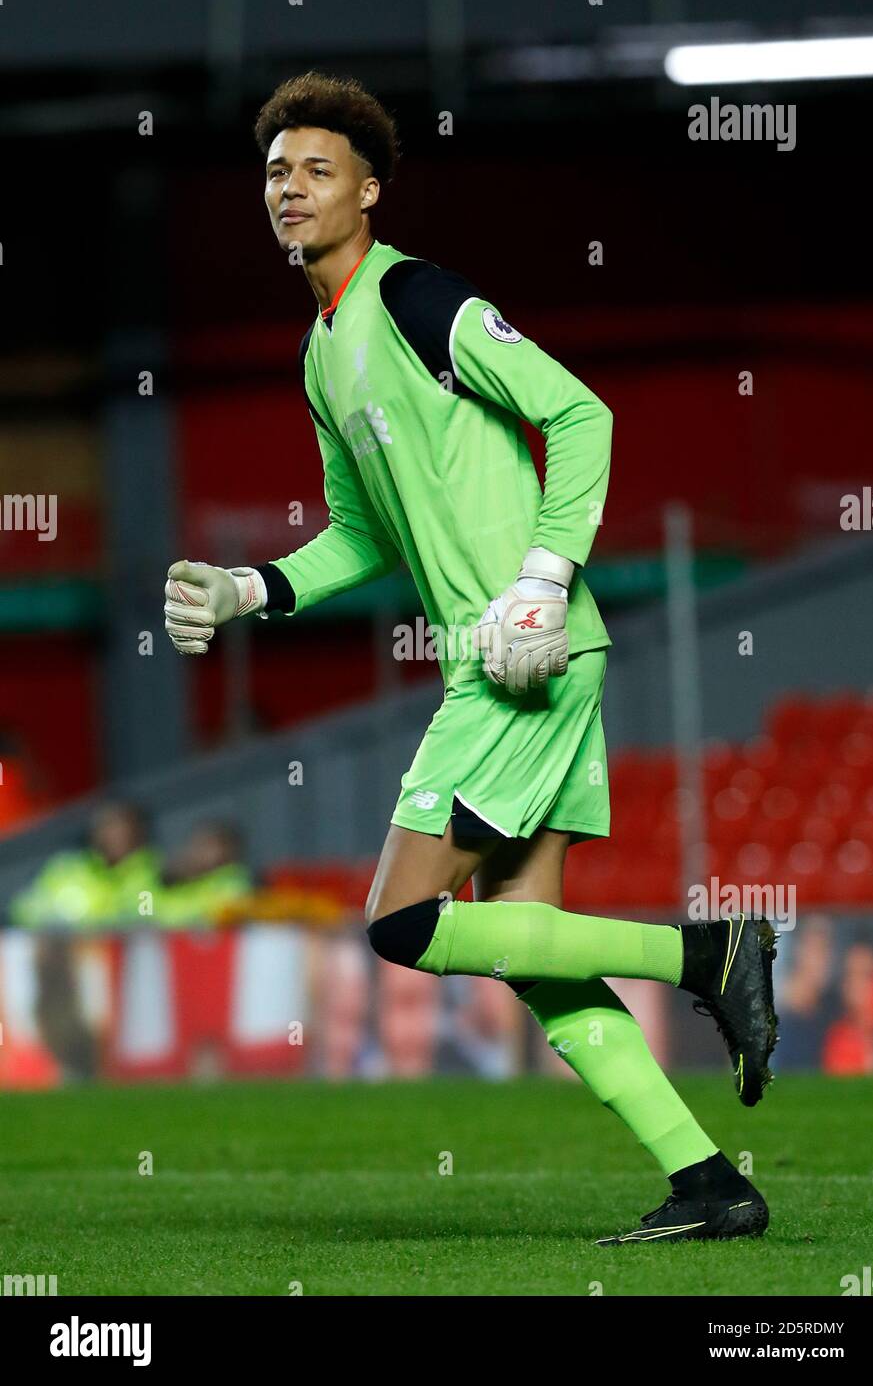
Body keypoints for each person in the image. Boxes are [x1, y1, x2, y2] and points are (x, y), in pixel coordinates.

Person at [163, 70, 779, 1244]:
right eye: (277, 172)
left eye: (319, 171)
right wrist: (252, 588)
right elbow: (363, 532)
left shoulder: (416, 297)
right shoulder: (321, 353)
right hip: (501, 665)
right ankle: (710, 1181)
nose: (291, 189)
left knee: (400, 919)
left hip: (526, 656)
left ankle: (708, 950)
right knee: (527, 946)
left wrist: (542, 579)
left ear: (369, 191)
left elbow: (581, 412)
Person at [9, 801, 160, 928]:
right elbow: (26, 910)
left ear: (139, 833)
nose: (117, 836)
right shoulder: (67, 868)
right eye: (110, 827)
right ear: (96, 833)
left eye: (125, 829)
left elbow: (149, 921)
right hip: (67, 949)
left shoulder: (152, 876)